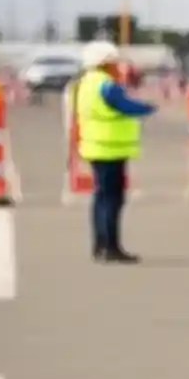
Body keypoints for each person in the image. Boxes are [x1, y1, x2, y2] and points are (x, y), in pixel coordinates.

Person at [75, 40, 156, 263]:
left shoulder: (86, 83)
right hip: (110, 148)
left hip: (95, 146)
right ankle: (111, 248)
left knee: (101, 197)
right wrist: (149, 107)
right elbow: (125, 106)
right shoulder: (106, 84)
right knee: (112, 200)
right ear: (105, 63)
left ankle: (99, 246)